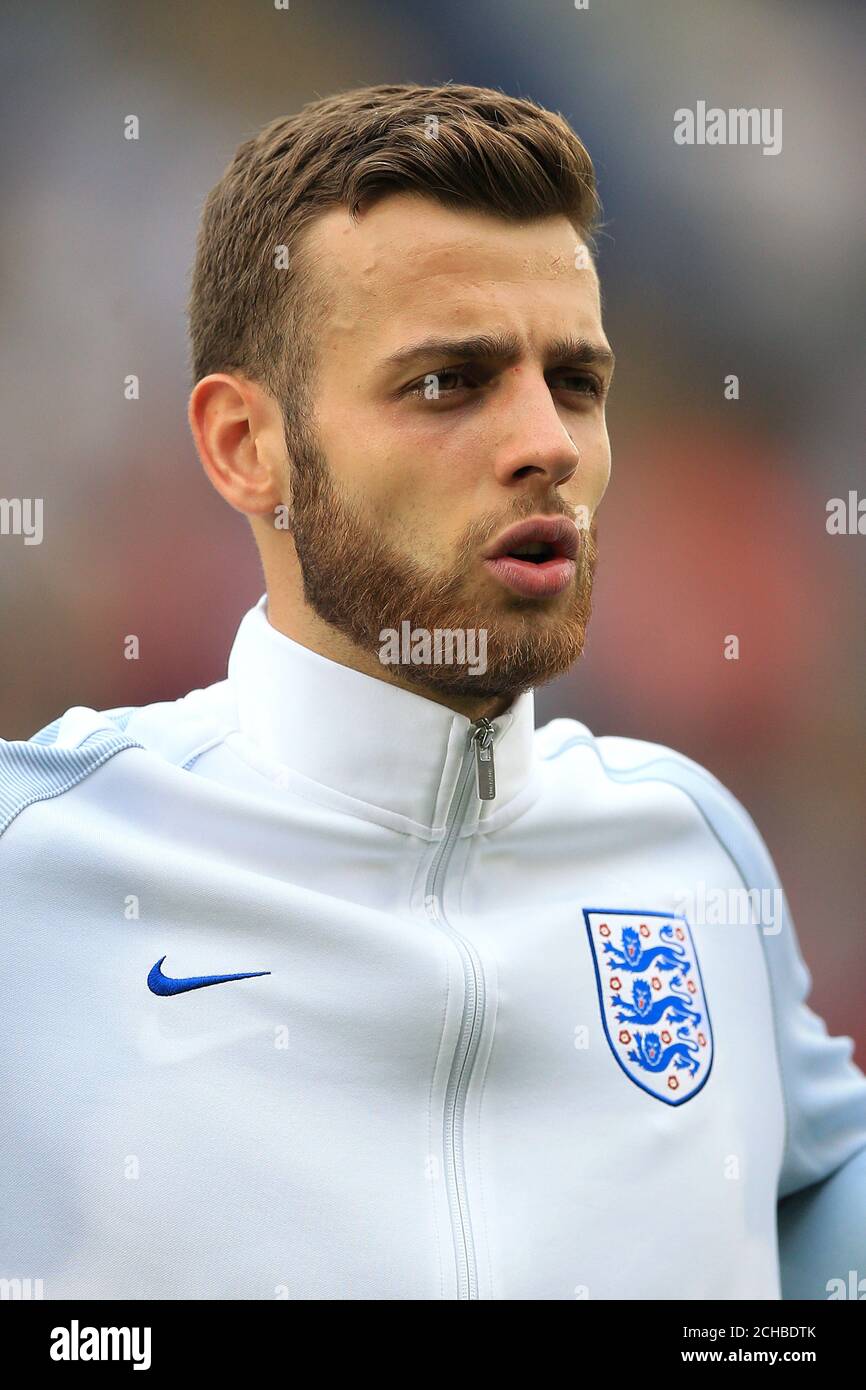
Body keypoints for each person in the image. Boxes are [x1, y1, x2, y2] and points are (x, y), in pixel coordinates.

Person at [2, 82, 864, 1301]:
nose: (548, 443)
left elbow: (824, 1181)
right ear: (247, 448)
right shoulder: (36, 866)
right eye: (448, 383)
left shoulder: (688, 843)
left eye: (574, 381)